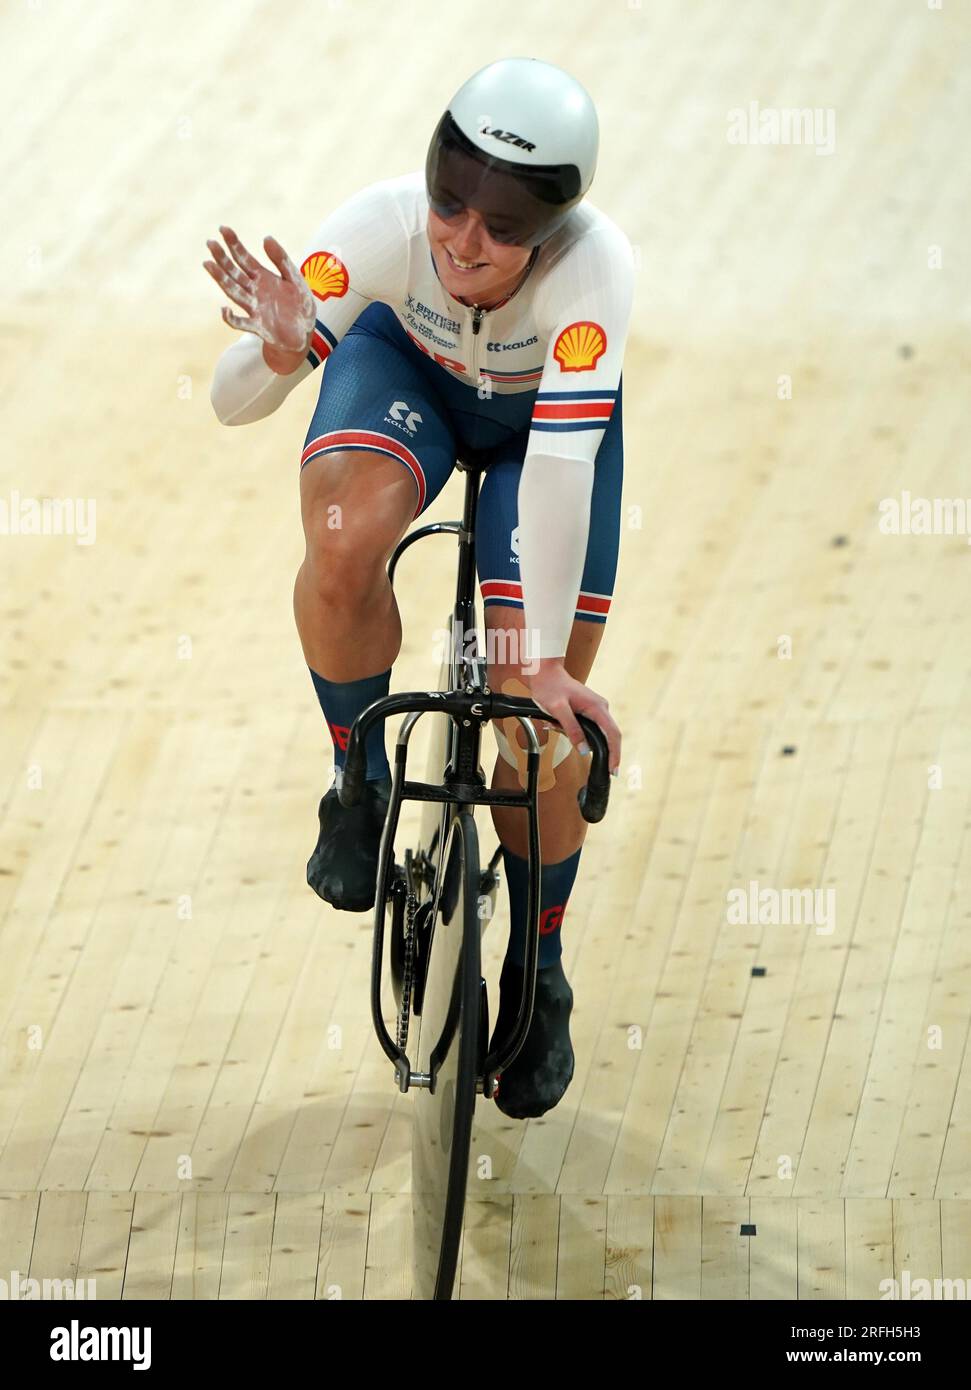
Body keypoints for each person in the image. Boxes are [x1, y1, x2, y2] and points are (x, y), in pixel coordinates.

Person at [204, 56, 634, 1120]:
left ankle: (539, 967)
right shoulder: (381, 228)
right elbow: (231, 405)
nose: (460, 241)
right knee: (342, 544)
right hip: (413, 383)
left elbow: (563, 470)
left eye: (498, 227)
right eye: (450, 202)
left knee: (539, 733)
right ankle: (358, 775)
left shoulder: (592, 273)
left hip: (543, 438)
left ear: (552, 226)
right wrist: (270, 349)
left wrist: (532, 664)